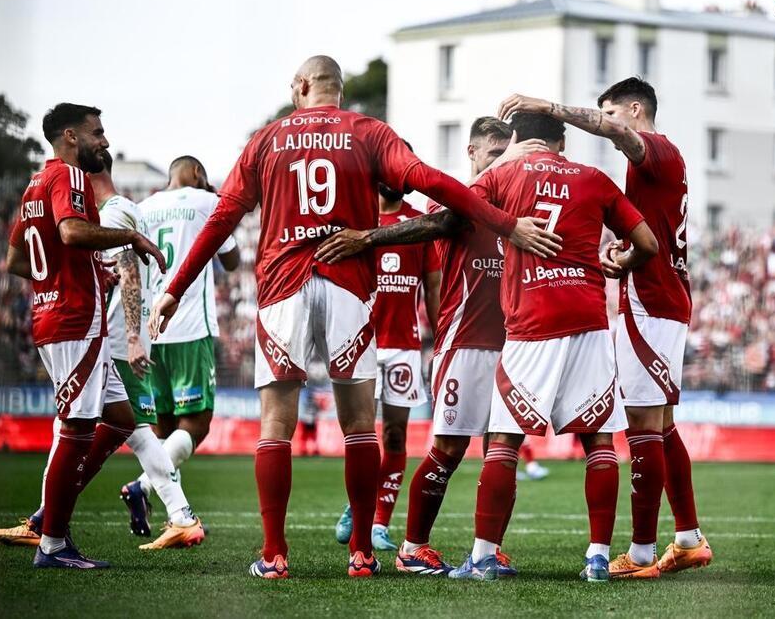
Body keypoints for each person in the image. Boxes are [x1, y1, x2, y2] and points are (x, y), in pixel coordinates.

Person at [148, 56, 562, 580]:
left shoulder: (265, 140)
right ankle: (362, 552)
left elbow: (224, 216)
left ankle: (274, 555)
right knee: (359, 425)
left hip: (284, 285)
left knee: (276, 423)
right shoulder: (367, 132)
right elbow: (433, 182)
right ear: (338, 91)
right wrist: (506, 222)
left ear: (301, 87)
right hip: (348, 284)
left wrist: (174, 289)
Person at [498, 77, 711, 578]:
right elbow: (651, 233)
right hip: (660, 296)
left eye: (614, 112)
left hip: (652, 302)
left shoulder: (654, 149)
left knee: (642, 430)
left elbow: (619, 135)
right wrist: (629, 252)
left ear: (635, 109)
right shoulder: (663, 162)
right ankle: (686, 538)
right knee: (662, 427)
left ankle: (640, 554)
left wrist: (544, 106)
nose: (610, 122)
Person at [318, 116, 549, 577]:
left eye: (510, 154)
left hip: (513, 344)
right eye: (494, 154)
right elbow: (439, 222)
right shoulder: (461, 201)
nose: (504, 163)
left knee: (503, 448)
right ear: (472, 153)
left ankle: (488, 549)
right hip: (464, 342)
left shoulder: (520, 208)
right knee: (448, 447)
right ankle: (412, 547)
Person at [448, 112, 658, 582]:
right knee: (599, 441)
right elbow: (647, 242)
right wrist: (622, 263)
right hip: (586, 318)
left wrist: (505, 219)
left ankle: (484, 555)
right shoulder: (593, 177)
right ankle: (598, 557)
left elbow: (459, 207)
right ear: (562, 141)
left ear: (518, 139)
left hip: (530, 323)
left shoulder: (503, 173)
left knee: (504, 440)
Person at [0, 103, 165, 568]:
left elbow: (16, 261)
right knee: (76, 429)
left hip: (56, 315)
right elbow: (72, 232)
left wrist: (82, 270)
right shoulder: (69, 178)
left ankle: (47, 521)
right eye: (98, 133)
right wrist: (130, 239)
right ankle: (51, 541)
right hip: (75, 320)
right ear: (70, 136)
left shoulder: (37, 183)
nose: (105, 142)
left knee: (119, 420)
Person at [126, 156, 240, 524]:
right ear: (196, 174)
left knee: (164, 428)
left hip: (151, 330)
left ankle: (176, 514)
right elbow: (234, 260)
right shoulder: (208, 202)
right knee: (197, 424)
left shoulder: (142, 209)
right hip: (190, 327)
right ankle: (142, 486)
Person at [333, 177, 442, 552]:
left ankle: (378, 522)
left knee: (395, 436)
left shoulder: (418, 225)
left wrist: (441, 337)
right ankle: (359, 505)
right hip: (361, 343)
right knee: (361, 436)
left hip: (404, 347)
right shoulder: (357, 222)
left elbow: (433, 286)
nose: (394, 182)